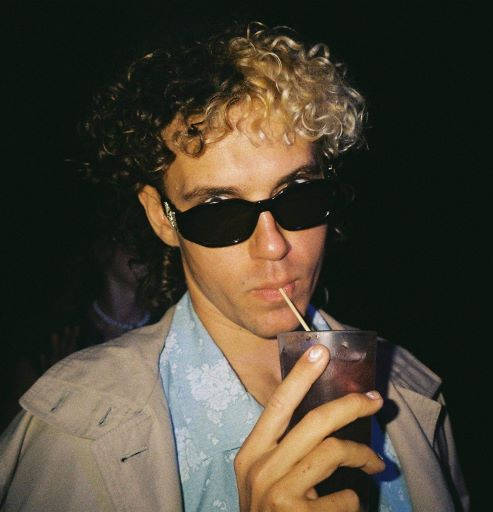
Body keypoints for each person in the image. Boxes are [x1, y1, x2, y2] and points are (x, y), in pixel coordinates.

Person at [0, 22, 468, 511]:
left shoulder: (408, 395)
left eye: (299, 196)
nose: (273, 246)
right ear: (161, 217)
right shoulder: (74, 438)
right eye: (219, 211)